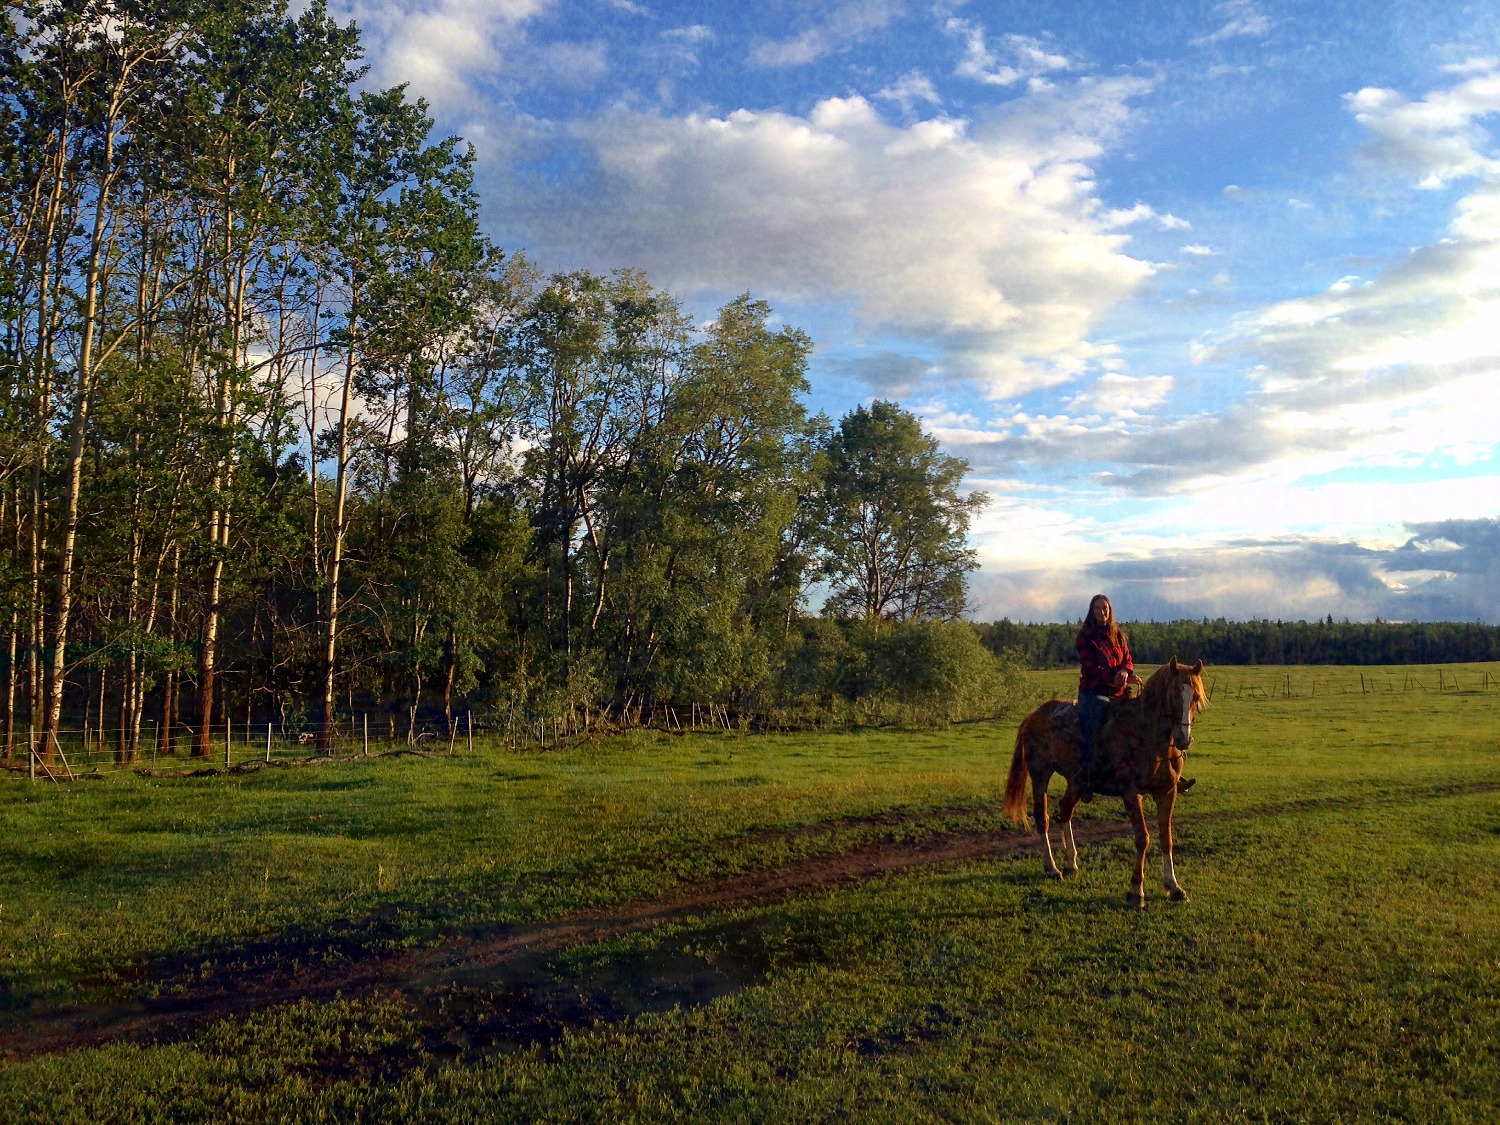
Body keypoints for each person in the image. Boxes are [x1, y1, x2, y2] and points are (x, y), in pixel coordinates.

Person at [1073, 595, 1196, 796]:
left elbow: (1128, 659)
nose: (1101, 612)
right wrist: (1117, 676)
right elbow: (1092, 668)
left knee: (1146, 722)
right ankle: (1086, 775)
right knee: (1095, 728)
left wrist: (1125, 671)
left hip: (1119, 693)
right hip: (1094, 693)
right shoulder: (1086, 638)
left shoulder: (1118, 635)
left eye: (1105, 608)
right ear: (1091, 611)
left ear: (1110, 611)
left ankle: (1166, 771)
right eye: (1097, 608)